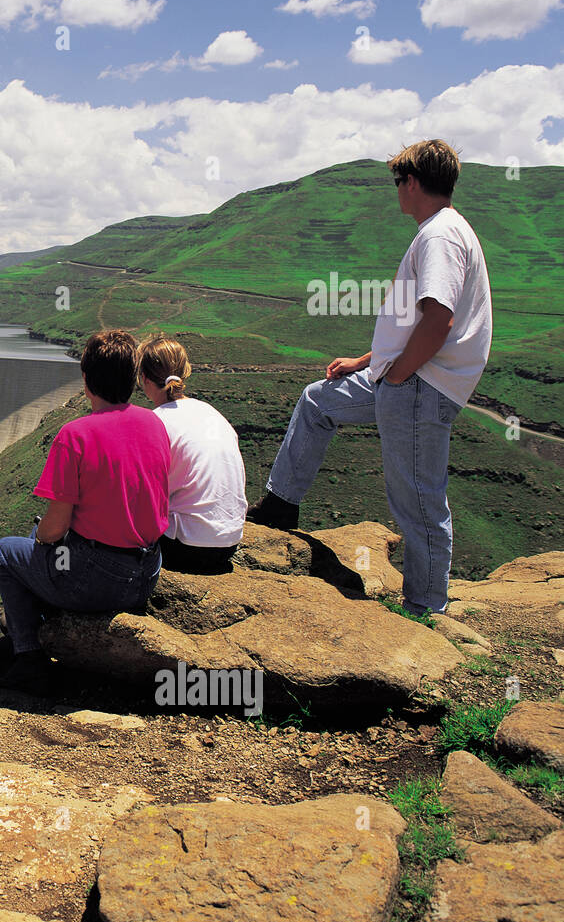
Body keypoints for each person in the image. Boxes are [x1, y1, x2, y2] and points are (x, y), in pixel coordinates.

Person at [247, 138, 492, 618]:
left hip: (421, 385)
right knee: (318, 400)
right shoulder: (441, 230)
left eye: (398, 181)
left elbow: (438, 319)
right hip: (404, 377)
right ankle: (280, 505)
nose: (396, 190)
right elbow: (412, 323)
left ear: (414, 182)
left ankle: (426, 609)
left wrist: (397, 377)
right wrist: (368, 362)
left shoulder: (440, 236)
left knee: (418, 502)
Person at [0, 329, 170, 690]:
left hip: (98, 579)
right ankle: (19, 638)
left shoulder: (76, 435)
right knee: (38, 542)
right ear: (133, 379)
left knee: (5, 551)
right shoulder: (154, 423)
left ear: (86, 380)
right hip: (146, 572)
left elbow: (53, 528)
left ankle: (28, 656)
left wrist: (44, 542)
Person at [137, 335, 247, 574]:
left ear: (144, 379)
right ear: (185, 372)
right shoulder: (211, 413)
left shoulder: (155, 422)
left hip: (185, 549)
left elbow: (143, 496)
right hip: (228, 543)